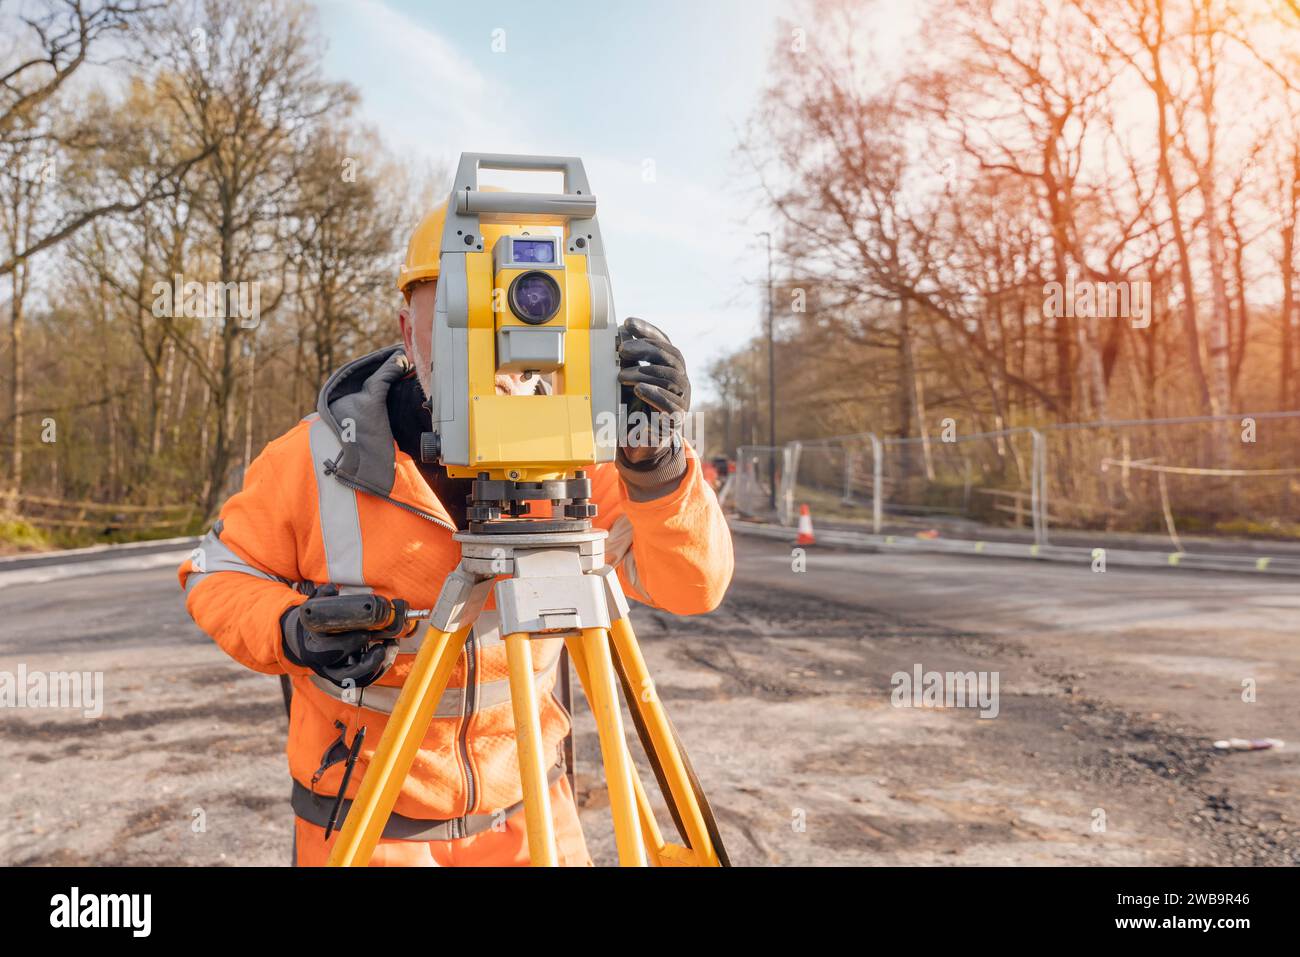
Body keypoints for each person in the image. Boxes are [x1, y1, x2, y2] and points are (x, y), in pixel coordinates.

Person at [177, 198, 734, 866]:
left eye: (507, 317)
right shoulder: (316, 456)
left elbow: (693, 584)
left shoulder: (579, 459)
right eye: (456, 315)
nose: (484, 342)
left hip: (529, 821)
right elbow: (216, 573)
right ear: (405, 329)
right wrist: (291, 627)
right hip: (366, 829)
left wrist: (658, 464)